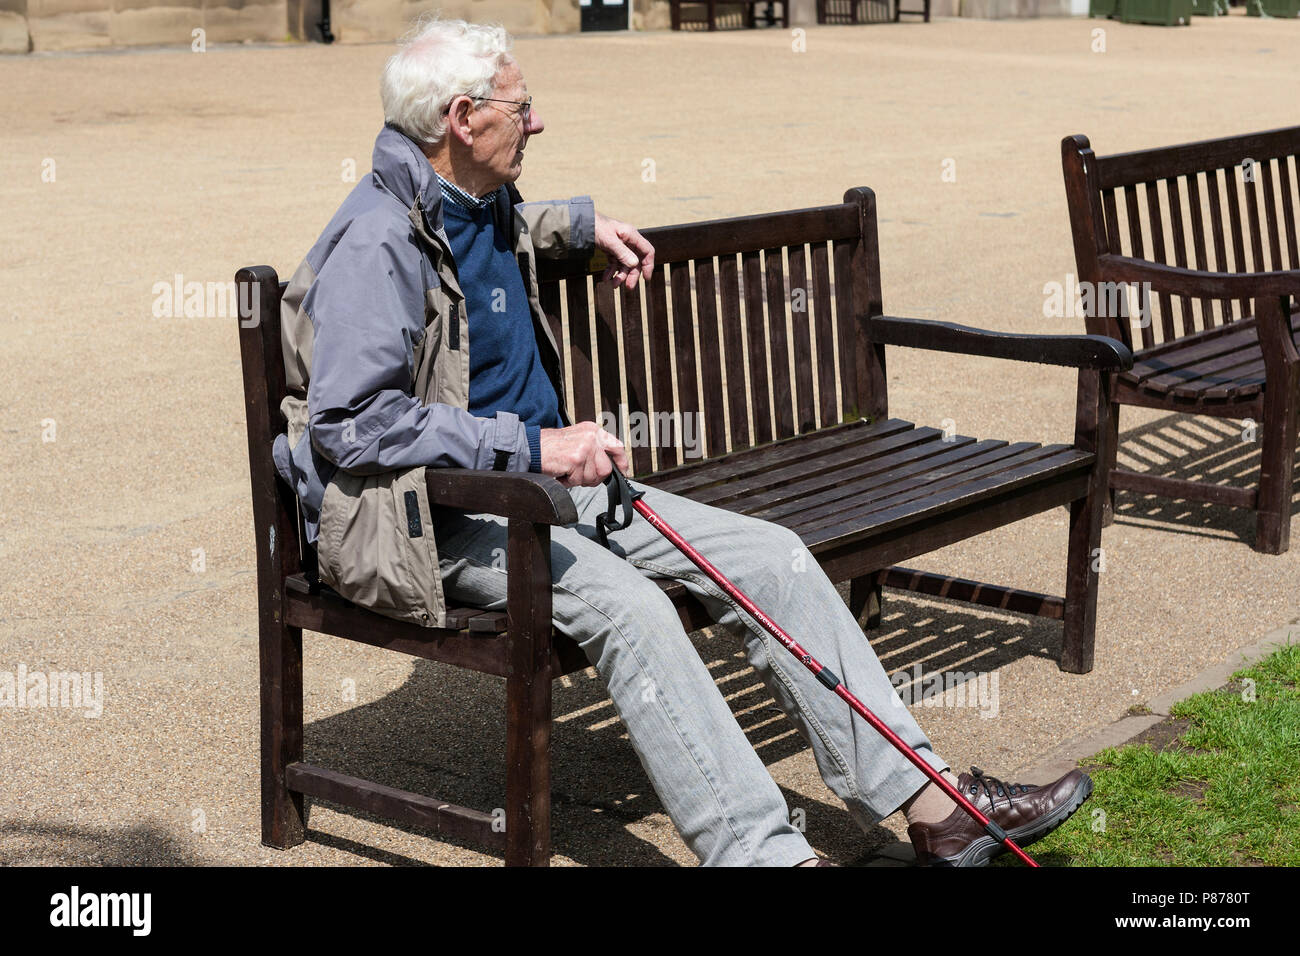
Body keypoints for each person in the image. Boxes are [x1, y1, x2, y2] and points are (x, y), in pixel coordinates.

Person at [272, 16, 1093, 867]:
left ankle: (938, 809)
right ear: (461, 117)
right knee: (631, 611)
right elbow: (352, 422)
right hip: (429, 519)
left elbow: (505, 228)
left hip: (544, 491)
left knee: (772, 557)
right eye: (524, 106)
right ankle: (763, 856)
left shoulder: (475, 197)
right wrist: (534, 448)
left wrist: (581, 229)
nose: (539, 122)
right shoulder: (377, 241)